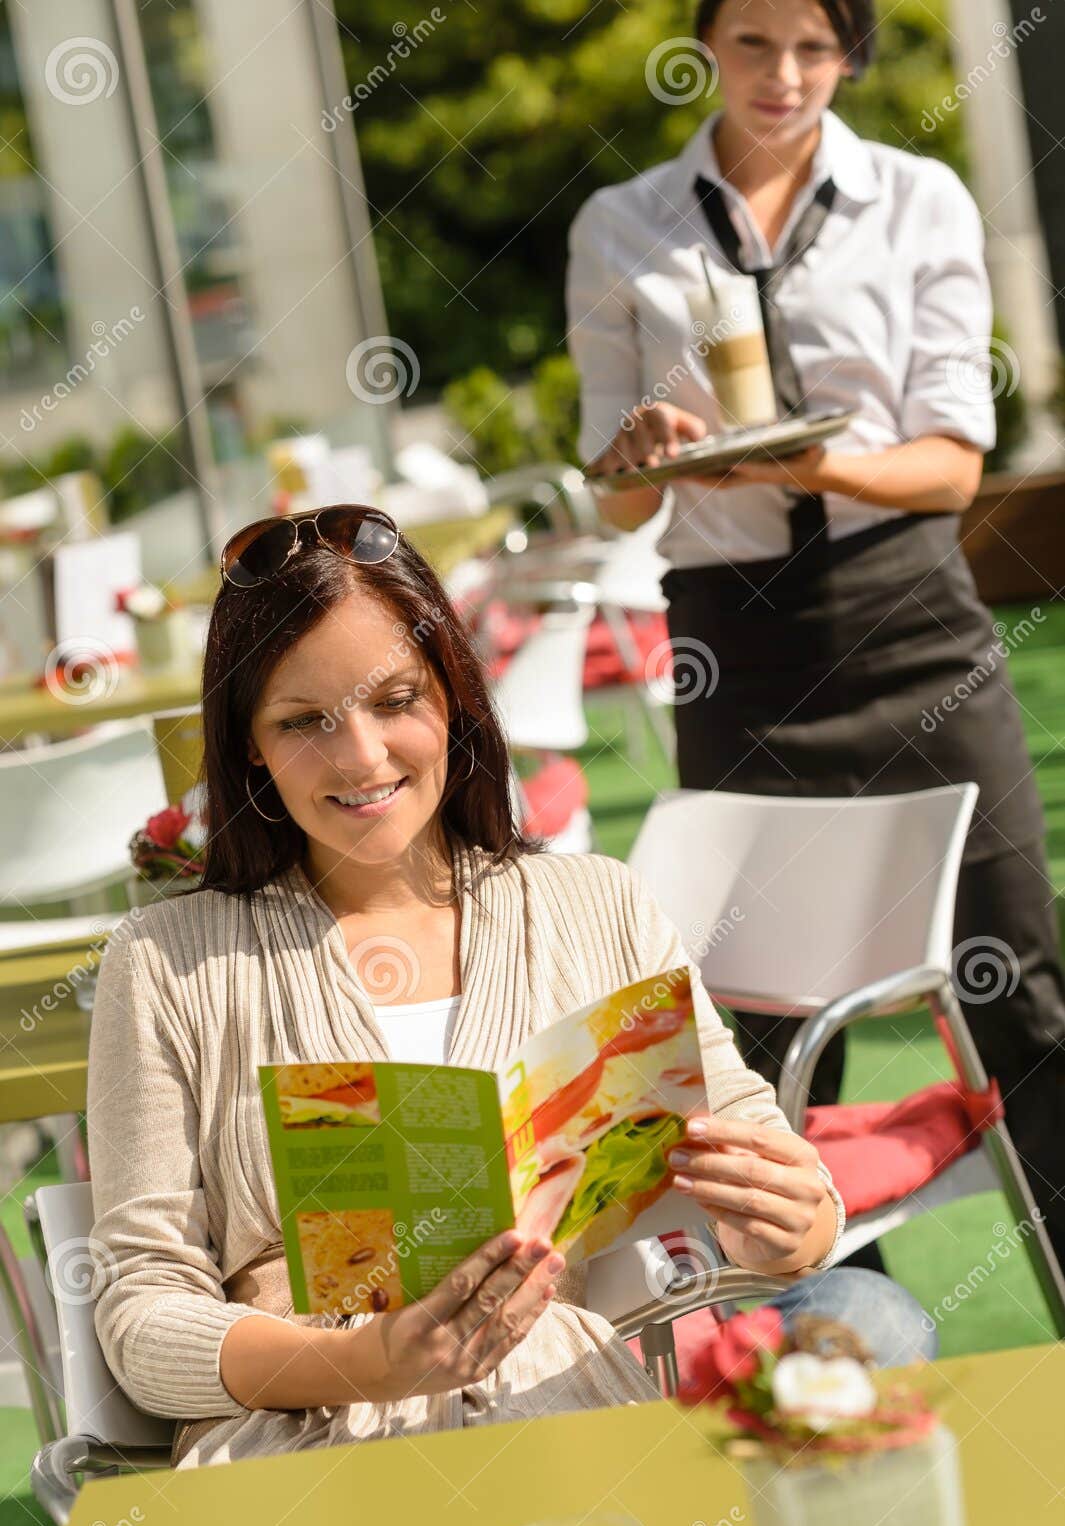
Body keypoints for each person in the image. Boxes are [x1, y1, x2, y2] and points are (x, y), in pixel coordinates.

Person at [86, 503, 933, 1468]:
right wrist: (366, 1360)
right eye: (304, 721)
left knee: (876, 1315)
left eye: (395, 701)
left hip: (562, 1407)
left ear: (453, 699)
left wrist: (792, 1221)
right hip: (311, 1449)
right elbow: (144, 1316)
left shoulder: (594, 905)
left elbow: (758, 1159)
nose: (361, 756)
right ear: (247, 742)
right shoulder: (163, 964)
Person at [566, 0, 1065, 1266]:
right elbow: (619, 493)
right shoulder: (622, 225)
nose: (783, 76)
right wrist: (639, 461)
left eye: (813, 46)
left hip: (912, 626)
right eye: (752, 43)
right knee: (765, 1031)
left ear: (850, 54)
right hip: (736, 650)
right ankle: (832, 1322)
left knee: (1021, 984)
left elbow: (954, 467)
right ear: (708, 46)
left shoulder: (920, 199)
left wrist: (803, 464)